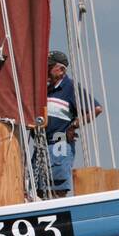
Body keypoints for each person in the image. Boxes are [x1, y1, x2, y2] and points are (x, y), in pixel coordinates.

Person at [37, 50, 102, 198]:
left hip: (59, 143)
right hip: (41, 145)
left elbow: (96, 109)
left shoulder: (70, 87)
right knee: (39, 190)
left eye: (49, 67)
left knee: (57, 188)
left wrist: (73, 126)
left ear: (61, 70)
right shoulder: (46, 90)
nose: (45, 71)